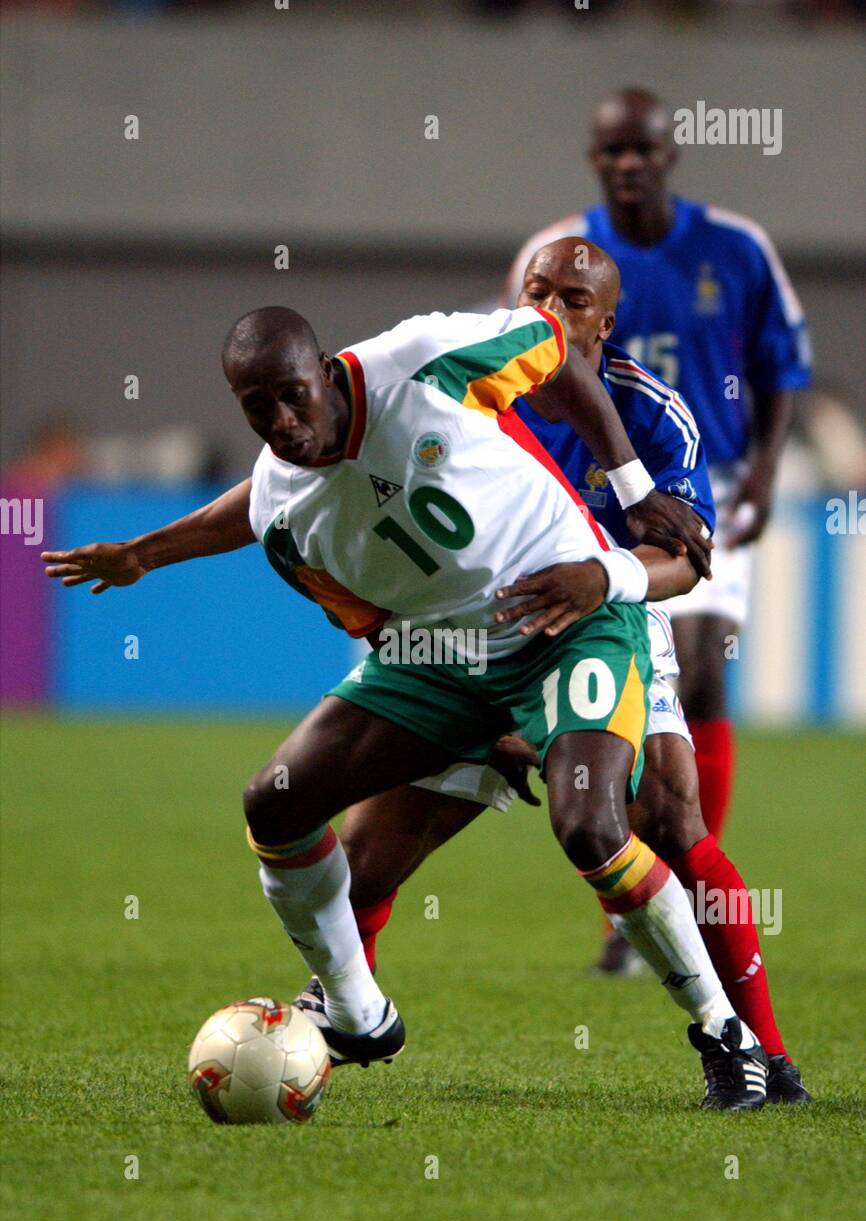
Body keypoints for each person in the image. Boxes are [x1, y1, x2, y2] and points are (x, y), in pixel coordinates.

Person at [43, 300, 770, 1109]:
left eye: (293, 395)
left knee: (593, 826)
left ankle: (725, 1036)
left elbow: (558, 346)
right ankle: (358, 1013)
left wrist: (633, 491)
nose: (283, 421)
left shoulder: (424, 358)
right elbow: (366, 614)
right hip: (443, 656)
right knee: (275, 803)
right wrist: (144, 554)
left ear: (324, 371)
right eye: (258, 410)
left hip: (576, 619)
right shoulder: (287, 521)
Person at [302, 239, 808, 1104]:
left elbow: (686, 559)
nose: (551, 309)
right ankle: (337, 1026)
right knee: (363, 862)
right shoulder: (455, 389)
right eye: (536, 291)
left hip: (603, 617)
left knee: (669, 818)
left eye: (573, 299)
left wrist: (600, 575)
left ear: (606, 326)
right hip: (466, 637)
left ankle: (762, 1050)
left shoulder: (653, 412)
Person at [503, 88, 812, 884]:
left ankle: (686, 866)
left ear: (671, 153)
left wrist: (769, 472)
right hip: (578, 496)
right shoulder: (555, 253)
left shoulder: (737, 249)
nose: (629, 163)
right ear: (595, 158)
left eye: (643, 148)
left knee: (702, 662)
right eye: (614, 150)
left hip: (709, 481)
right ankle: (627, 881)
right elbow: (507, 369)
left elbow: (782, 368)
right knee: (603, 681)